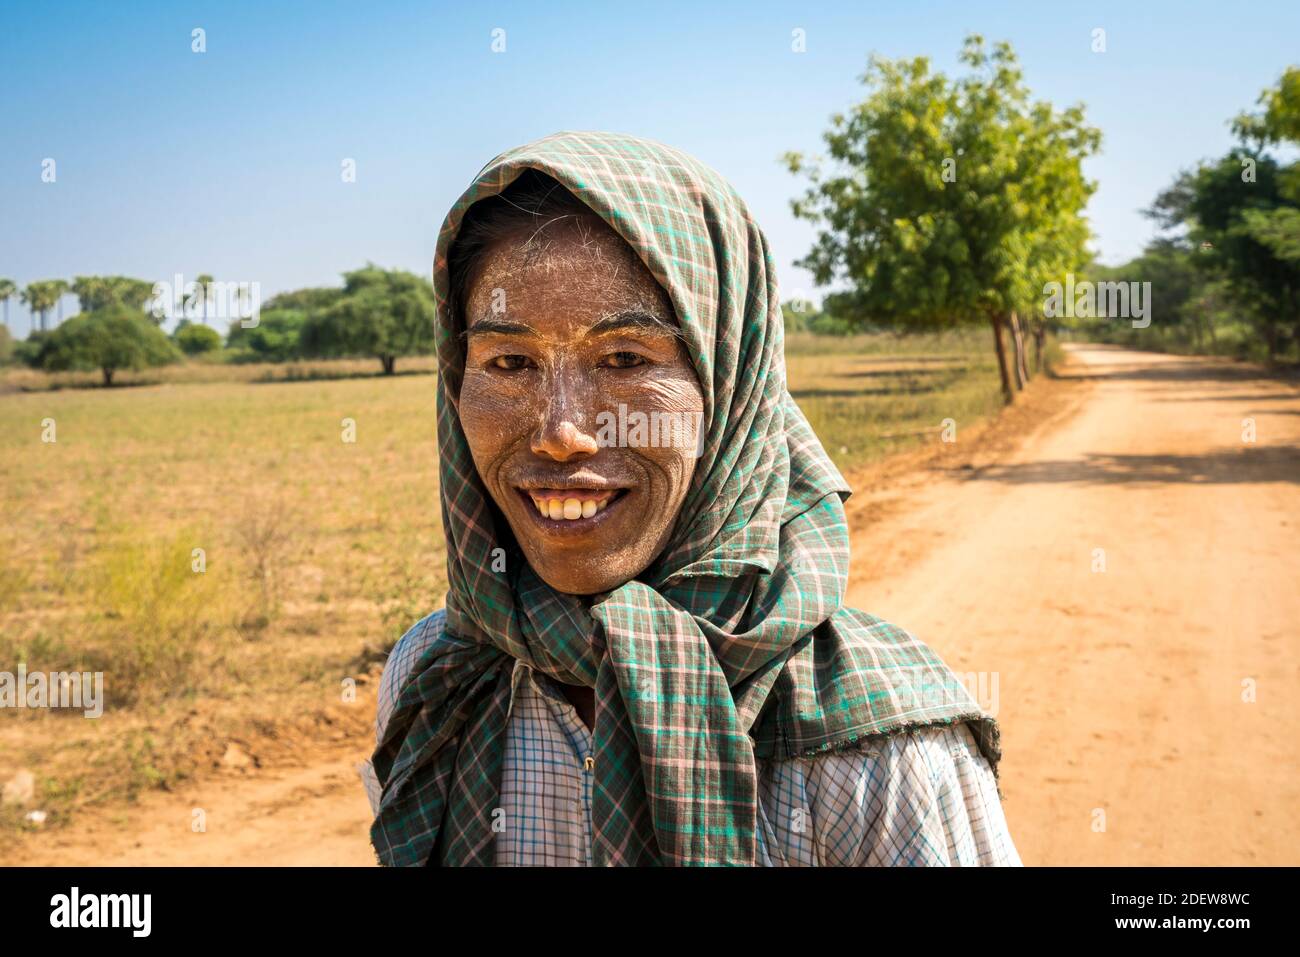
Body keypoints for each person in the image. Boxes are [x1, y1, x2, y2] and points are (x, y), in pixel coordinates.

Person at [359, 130, 1021, 867]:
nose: (563, 432)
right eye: (509, 362)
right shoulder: (439, 675)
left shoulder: (879, 742)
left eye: (624, 359)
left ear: (729, 384)